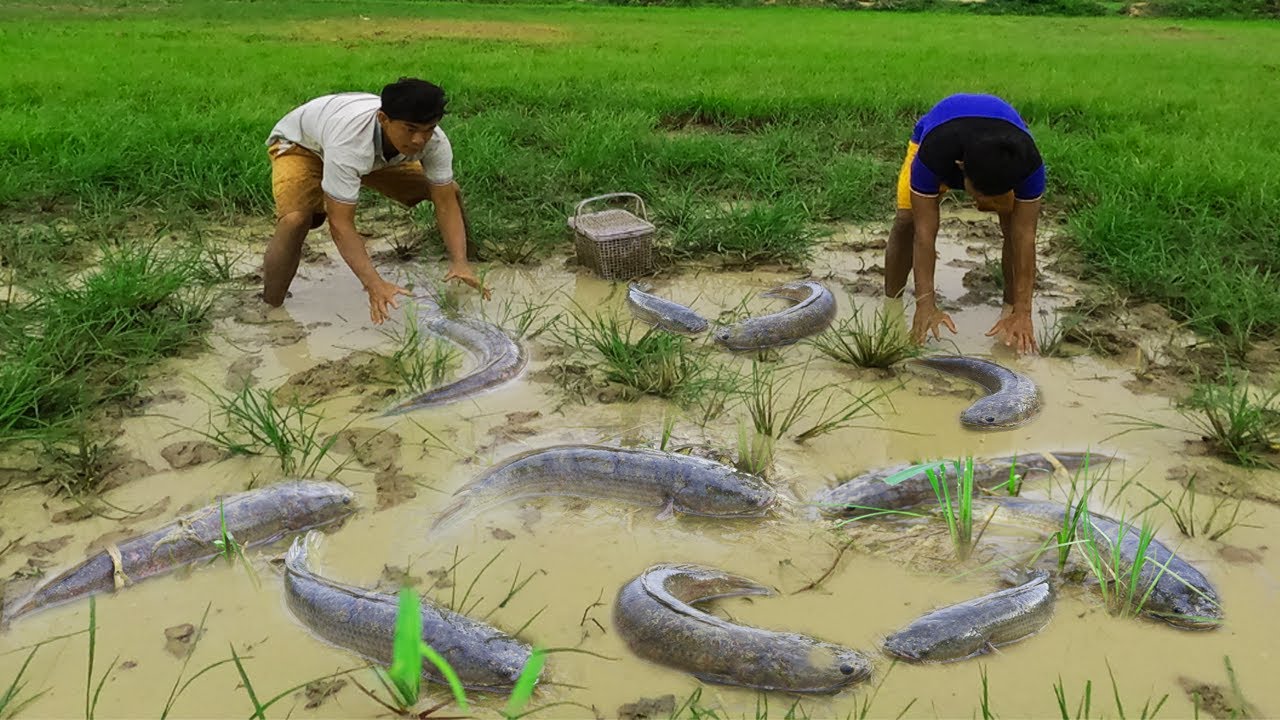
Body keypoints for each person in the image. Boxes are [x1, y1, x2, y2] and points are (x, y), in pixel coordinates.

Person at [262, 77, 489, 326]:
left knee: (450, 191)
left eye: (428, 129)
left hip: (373, 152)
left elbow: (445, 203)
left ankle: (465, 268)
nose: (419, 140)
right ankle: (271, 309)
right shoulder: (350, 143)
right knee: (296, 220)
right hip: (301, 145)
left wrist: (460, 261)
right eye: (410, 129)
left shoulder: (433, 141)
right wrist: (374, 283)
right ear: (383, 119)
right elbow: (341, 224)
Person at [884, 93, 1045, 355]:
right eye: (980, 196)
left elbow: (1026, 236)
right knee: (907, 220)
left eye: (993, 198)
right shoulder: (933, 156)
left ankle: (1010, 311)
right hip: (939, 134)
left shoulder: (1028, 165)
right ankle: (890, 306)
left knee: (1013, 228)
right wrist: (926, 304)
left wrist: (1023, 311)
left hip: (1006, 149)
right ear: (960, 169)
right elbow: (925, 235)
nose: (982, 206)